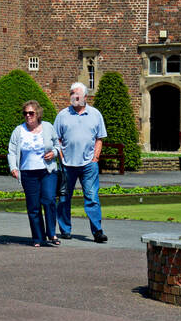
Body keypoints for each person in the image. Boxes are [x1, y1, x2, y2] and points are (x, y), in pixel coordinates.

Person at [54, 82, 108, 243]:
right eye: (72, 94)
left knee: (92, 197)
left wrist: (95, 158)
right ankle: (65, 229)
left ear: (85, 97)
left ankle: (97, 231)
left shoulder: (95, 114)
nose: (74, 97)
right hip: (67, 165)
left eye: (77, 95)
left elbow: (99, 138)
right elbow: (56, 139)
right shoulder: (62, 115)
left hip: (88, 165)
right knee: (64, 197)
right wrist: (61, 158)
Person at [7, 101, 61, 247]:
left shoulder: (48, 127)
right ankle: (38, 237)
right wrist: (13, 167)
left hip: (47, 171)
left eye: (31, 113)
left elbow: (58, 145)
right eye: (25, 113)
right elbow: (12, 151)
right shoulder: (19, 131)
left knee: (49, 199)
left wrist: (54, 153)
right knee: (33, 206)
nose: (28, 116)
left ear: (38, 114)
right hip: (27, 173)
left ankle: (51, 233)